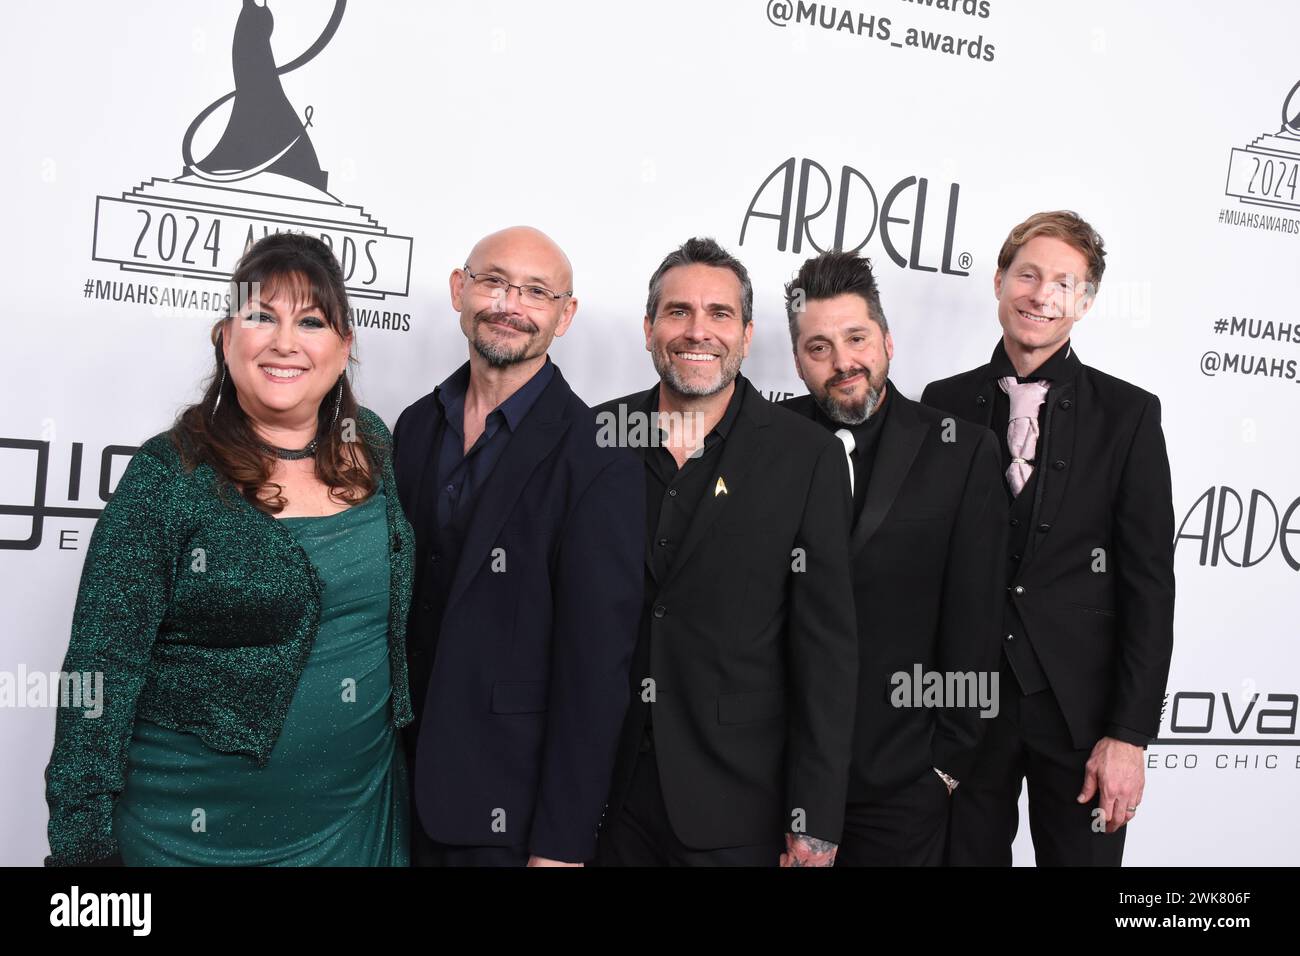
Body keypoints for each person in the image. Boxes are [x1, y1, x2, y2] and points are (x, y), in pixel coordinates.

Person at [44, 232, 415, 866]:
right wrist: (82, 853)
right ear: (225, 336)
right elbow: (97, 671)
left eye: (312, 321)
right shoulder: (170, 474)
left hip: (354, 822)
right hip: (185, 836)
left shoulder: (373, 445)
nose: (284, 342)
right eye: (261, 316)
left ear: (344, 347)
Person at [922, 210, 1176, 866]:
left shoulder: (1129, 415)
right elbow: (916, 569)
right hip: (962, 718)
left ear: (1085, 303)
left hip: (1083, 723)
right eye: (1028, 275)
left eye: (1064, 283)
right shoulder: (939, 404)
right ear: (1000, 282)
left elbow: (1149, 587)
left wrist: (1129, 735)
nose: (1041, 294)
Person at [595, 237, 858, 867]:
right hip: (605, 797)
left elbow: (826, 650)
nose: (697, 331)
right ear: (650, 328)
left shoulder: (807, 456)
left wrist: (815, 817)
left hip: (740, 804)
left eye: (719, 315)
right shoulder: (596, 436)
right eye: (678, 312)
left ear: (745, 335)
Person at [393, 226, 643, 866]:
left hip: (505, 815)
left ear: (566, 316)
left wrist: (560, 844)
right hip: (387, 793)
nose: (511, 304)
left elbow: (596, 670)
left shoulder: (598, 454)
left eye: (537, 291)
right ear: (459, 289)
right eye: (494, 281)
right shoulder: (415, 425)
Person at [779, 250, 1006, 866]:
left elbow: (977, 623)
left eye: (856, 338)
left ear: (886, 340)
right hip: (772, 783)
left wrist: (945, 770)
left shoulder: (959, 452)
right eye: (818, 347)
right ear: (796, 358)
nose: (843, 362)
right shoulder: (766, 444)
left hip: (901, 788)